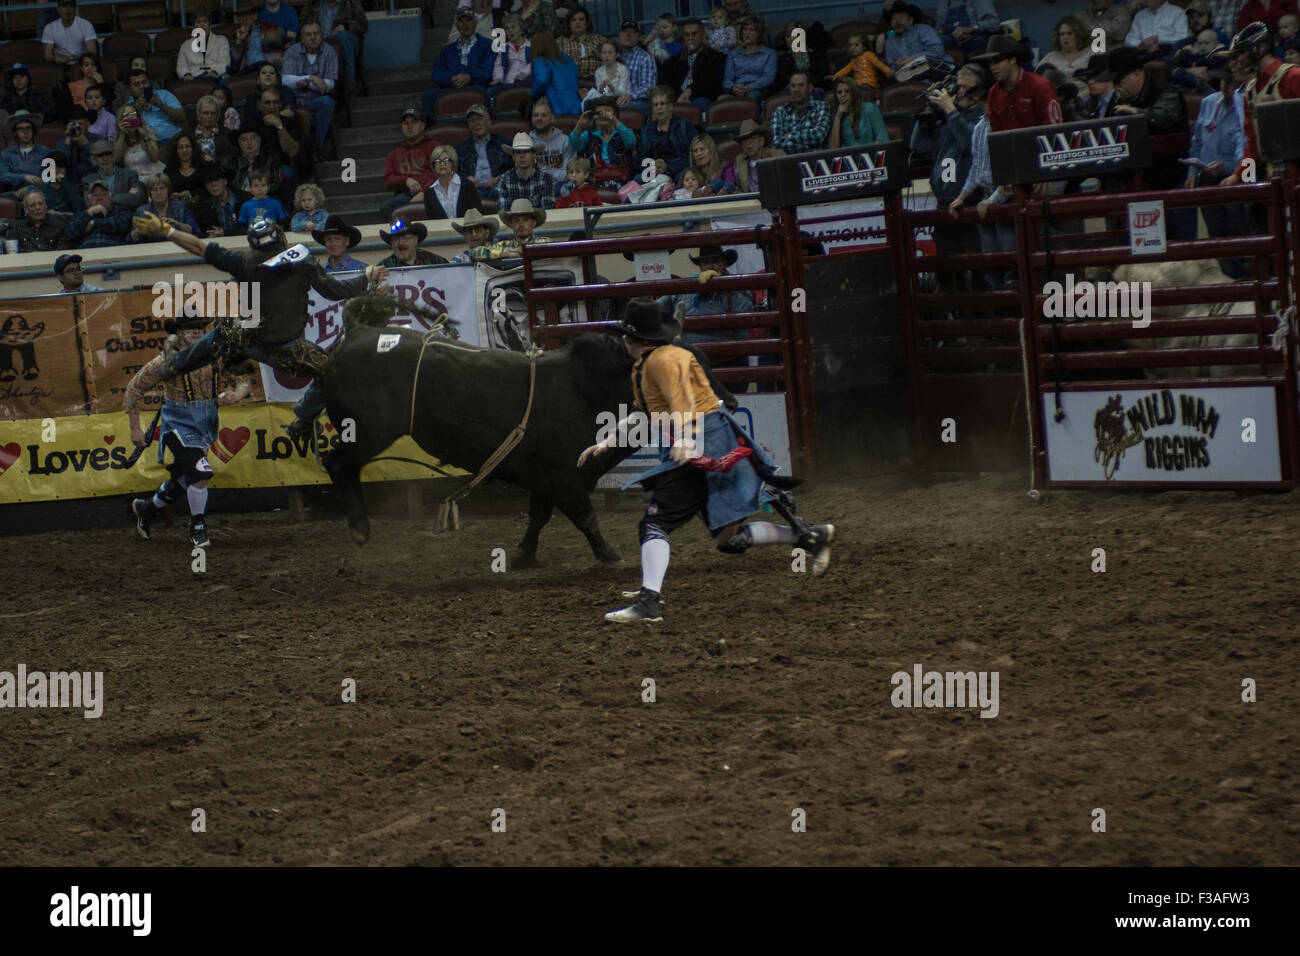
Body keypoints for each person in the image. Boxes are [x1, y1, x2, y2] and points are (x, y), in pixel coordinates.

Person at [579, 298, 834, 624]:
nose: (623, 342)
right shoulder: (655, 361)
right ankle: (809, 536)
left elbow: (682, 401)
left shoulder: (661, 362)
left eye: (626, 336)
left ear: (635, 339)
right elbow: (647, 411)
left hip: (701, 447)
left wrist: (686, 440)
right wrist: (609, 441)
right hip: (710, 442)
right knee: (728, 539)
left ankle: (649, 601)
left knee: (655, 522)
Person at [129, 211, 388, 441]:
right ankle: (304, 420)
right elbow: (335, 291)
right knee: (330, 373)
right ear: (281, 240)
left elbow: (200, 248)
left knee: (222, 334)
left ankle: (172, 365)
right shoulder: (301, 262)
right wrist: (365, 278)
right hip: (288, 347)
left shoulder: (245, 263)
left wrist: (168, 231)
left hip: (249, 339)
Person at [127, 308, 255, 549]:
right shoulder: (166, 360)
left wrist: (236, 394)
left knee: (189, 478)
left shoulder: (218, 354)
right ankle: (198, 526)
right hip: (177, 424)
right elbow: (133, 389)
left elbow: (244, 378)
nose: (196, 331)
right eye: (190, 327)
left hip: (206, 423)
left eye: (200, 327)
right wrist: (135, 429)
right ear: (179, 332)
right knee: (201, 473)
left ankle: (147, 508)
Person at [912, 63, 987, 295]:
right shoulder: (947, 117)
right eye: (958, 86)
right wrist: (930, 108)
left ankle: (984, 323)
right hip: (943, 205)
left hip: (971, 203)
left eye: (966, 87)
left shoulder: (982, 117)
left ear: (979, 92)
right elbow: (918, 145)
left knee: (977, 269)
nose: (960, 91)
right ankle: (957, 323)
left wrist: (951, 110)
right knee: (948, 271)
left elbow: (969, 145)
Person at [1187, 50, 1250, 277]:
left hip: (1236, 178)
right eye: (1223, 81)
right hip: (1208, 179)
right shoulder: (1208, 102)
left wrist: (1229, 168)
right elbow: (1197, 142)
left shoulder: (1246, 104)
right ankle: (1231, 285)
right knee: (1217, 237)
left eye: (1230, 82)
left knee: (1241, 235)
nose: (1225, 86)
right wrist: (1192, 171)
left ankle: (1250, 284)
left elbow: (1247, 147)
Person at [1224, 21, 1300, 188]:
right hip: (1275, 177)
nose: (1238, 60)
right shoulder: (1251, 91)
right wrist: (1241, 177)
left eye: (1241, 53)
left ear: (1259, 49)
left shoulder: (1294, 76)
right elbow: (1254, 145)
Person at [656, 243, 753, 345]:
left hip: (729, 353)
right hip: (690, 352)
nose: (711, 266)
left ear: (725, 263)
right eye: (706, 263)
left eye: (716, 261)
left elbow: (745, 310)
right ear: (700, 267)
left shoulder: (736, 284)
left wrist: (721, 284)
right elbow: (658, 307)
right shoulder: (687, 283)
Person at [979, 35, 1062, 132]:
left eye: (997, 61)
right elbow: (997, 135)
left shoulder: (1040, 87)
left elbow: (1055, 130)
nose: (992, 67)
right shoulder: (993, 93)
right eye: (990, 63)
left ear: (1013, 59)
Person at [424, 8, 495, 121]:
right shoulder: (447, 50)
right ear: (456, 25)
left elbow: (489, 71)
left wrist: (469, 77)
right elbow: (437, 73)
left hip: (477, 87)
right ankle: (431, 130)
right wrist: (451, 78)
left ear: (475, 22)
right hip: (452, 88)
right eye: (461, 21)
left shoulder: (488, 45)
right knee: (428, 95)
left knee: (485, 92)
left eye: (469, 20)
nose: (465, 24)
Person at [282, 20, 339, 153]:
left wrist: (299, 82)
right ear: (302, 37)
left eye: (316, 33)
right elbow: (285, 80)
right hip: (293, 100)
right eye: (308, 34)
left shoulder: (330, 52)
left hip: (316, 99)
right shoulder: (292, 51)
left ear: (322, 34)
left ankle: (317, 147)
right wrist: (310, 78)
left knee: (328, 103)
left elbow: (329, 85)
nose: (313, 37)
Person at [660, 18, 726, 116]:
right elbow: (666, 83)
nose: (690, 37)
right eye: (687, 35)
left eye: (694, 34)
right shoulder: (673, 60)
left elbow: (713, 83)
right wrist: (679, 97)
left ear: (702, 35)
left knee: (700, 103)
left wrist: (690, 91)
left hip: (701, 98)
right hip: (677, 99)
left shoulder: (716, 57)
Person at [382, 107, 440, 219]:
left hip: (433, 192)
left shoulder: (434, 146)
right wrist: (406, 180)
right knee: (386, 207)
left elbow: (441, 173)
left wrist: (424, 193)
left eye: (414, 122)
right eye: (405, 123)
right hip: (407, 195)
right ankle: (403, 233)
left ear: (422, 126)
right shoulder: (394, 154)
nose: (409, 126)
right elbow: (388, 179)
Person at [568, 97, 637, 188]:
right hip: (594, 179)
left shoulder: (622, 132)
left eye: (607, 112)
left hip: (620, 178)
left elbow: (631, 142)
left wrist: (614, 120)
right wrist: (580, 124)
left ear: (615, 115)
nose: (603, 115)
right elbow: (575, 144)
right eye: (599, 113)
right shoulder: (590, 134)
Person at [302, 0, 368, 90]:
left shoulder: (351, 3)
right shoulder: (313, 3)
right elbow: (302, 25)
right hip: (320, 43)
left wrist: (346, 25)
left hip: (343, 42)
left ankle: (351, 83)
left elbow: (363, 26)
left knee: (343, 36)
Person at [455, 103, 511, 201]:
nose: (476, 124)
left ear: (488, 120)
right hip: (473, 190)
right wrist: (467, 178)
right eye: (471, 120)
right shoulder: (461, 148)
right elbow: (453, 171)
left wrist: (500, 178)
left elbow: (515, 168)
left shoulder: (503, 144)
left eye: (480, 119)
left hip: (498, 188)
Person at [640, 85, 695, 181]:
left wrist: (668, 166)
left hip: (679, 171)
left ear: (671, 106)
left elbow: (692, 155)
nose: (659, 108)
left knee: (683, 178)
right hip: (653, 173)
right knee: (637, 180)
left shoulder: (684, 125)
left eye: (662, 104)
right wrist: (653, 166)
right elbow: (641, 159)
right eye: (655, 105)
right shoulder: (646, 131)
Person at [468, 197, 550, 260]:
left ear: (533, 223)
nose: (521, 224)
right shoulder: (503, 246)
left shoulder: (545, 242)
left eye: (525, 220)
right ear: (510, 224)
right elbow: (473, 252)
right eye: (516, 221)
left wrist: (526, 251)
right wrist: (503, 254)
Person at [770, 72, 830, 154]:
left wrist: (789, 135)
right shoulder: (779, 111)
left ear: (810, 88)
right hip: (788, 162)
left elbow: (818, 136)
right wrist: (808, 141)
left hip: (814, 160)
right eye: (793, 86)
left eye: (801, 85)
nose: (796, 89)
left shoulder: (821, 107)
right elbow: (776, 143)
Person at [883, 2, 950, 73]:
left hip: (936, 69)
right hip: (908, 76)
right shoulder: (889, 42)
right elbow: (891, 65)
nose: (897, 21)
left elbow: (938, 51)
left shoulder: (923, 30)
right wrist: (896, 65)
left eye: (901, 17)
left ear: (911, 20)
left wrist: (913, 58)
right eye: (894, 18)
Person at [497, 131, 557, 209]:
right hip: (513, 221)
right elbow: (505, 211)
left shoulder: (546, 179)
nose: (522, 155)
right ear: (513, 157)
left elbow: (547, 213)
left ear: (533, 155)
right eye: (518, 152)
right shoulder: (504, 180)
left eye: (526, 151)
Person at [423, 143, 482, 220]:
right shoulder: (429, 192)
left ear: (453, 162)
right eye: (437, 161)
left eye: (446, 160)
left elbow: (477, 214)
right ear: (433, 165)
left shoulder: (467, 185)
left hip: (468, 230)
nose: (442, 164)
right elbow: (432, 221)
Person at [722, 17, 776, 102]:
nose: (747, 32)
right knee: (722, 99)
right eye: (745, 29)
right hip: (736, 89)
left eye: (752, 30)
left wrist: (749, 87)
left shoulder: (769, 53)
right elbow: (727, 79)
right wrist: (733, 87)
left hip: (758, 90)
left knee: (752, 96)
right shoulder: (733, 54)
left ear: (759, 33)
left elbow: (768, 78)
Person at [132, 173, 200, 240]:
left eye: (162, 188)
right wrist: (140, 230)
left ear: (168, 190)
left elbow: (195, 232)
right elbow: (131, 239)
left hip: (178, 247)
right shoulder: (142, 212)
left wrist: (176, 224)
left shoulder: (180, 207)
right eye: (154, 189)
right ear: (150, 193)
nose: (158, 192)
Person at [125, 69, 184, 145]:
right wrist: (138, 112)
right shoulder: (129, 106)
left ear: (149, 82)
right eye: (136, 84)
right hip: (148, 146)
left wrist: (161, 106)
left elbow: (182, 117)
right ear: (130, 88)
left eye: (144, 82)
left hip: (173, 143)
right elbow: (132, 133)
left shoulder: (164, 95)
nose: (142, 86)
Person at [1, 111, 52, 200]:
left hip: (40, 196)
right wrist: (24, 177)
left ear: (33, 130)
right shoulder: (7, 154)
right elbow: (2, 175)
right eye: (21, 129)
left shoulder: (46, 152)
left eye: (28, 128)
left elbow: (50, 180)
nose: (25, 132)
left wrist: (29, 189)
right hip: (14, 196)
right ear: (15, 132)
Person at [530, 29, 582, 116]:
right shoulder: (567, 58)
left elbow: (542, 80)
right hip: (577, 109)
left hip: (558, 111)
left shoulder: (541, 60)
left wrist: (532, 95)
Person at [82, 137, 144, 209]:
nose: (105, 158)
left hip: (125, 216)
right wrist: (124, 196)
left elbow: (135, 198)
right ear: (94, 159)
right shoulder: (88, 180)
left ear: (112, 156)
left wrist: (109, 198)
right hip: (100, 217)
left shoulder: (129, 175)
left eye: (107, 154)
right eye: (100, 155)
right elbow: (88, 204)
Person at [1039, 15, 1091, 99]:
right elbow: (1036, 81)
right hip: (1057, 101)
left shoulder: (1090, 55)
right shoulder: (1050, 57)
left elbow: (1099, 83)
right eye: (1062, 34)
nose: (1065, 37)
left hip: (1085, 100)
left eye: (1069, 33)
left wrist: (1079, 98)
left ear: (1078, 35)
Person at [828, 77, 888, 148]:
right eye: (839, 92)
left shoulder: (869, 108)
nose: (843, 95)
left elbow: (883, 139)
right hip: (847, 157)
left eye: (847, 91)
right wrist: (838, 118)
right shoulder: (836, 116)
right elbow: (832, 148)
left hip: (869, 154)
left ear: (854, 93)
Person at [69, 179, 132, 246]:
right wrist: (89, 212)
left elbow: (123, 226)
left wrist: (93, 224)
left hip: (113, 250)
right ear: (89, 199)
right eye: (95, 195)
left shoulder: (121, 210)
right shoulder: (81, 214)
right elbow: (71, 232)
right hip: (87, 251)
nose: (99, 198)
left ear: (110, 197)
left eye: (104, 194)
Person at [3, 190, 71, 251]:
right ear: (26, 209)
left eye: (40, 204)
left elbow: (63, 252)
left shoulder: (59, 225)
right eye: (32, 205)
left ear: (46, 206)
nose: (37, 208)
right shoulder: (16, 227)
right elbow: (14, 251)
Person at [489, 13, 532, 109]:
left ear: (521, 29)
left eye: (513, 27)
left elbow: (534, 63)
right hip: (507, 83)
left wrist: (525, 72)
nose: (510, 31)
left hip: (525, 81)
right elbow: (498, 65)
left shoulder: (531, 46)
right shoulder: (504, 48)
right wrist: (498, 77)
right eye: (507, 29)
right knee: (490, 92)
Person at [113, 102, 166, 180]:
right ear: (120, 120)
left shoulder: (149, 132)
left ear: (138, 118)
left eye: (133, 114)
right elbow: (116, 160)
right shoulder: (117, 138)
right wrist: (122, 134)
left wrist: (145, 136)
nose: (130, 118)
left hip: (153, 177)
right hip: (133, 181)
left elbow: (155, 159)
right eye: (126, 115)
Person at [615, 19, 656, 115]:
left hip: (638, 101)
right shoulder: (612, 56)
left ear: (638, 36)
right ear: (619, 35)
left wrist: (630, 95)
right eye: (625, 32)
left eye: (632, 32)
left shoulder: (645, 58)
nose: (628, 35)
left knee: (618, 106)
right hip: (616, 99)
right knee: (592, 103)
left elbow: (649, 88)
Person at [530, 96, 573, 187]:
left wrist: (545, 172)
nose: (539, 118)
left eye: (544, 115)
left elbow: (570, 174)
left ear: (552, 119)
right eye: (536, 115)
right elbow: (526, 175)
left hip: (560, 189)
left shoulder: (565, 140)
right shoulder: (526, 142)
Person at [935, 0, 1002, 58]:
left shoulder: (979, 1)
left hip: (974, 42)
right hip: (951, 44)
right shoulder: (943, 2)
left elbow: (994, 23)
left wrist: (971, 29)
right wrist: (940, 32)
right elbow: (939, 28)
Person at [192, 163, 244, 238]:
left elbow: (249, 228)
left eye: (217, 179)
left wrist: (225, 233)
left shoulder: (244, 199)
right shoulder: (202, 205)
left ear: (225, 181)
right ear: (205, 187)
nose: (213, 184)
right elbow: (199, 232)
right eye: (209, 181)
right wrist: (208, 235)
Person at [177, 13, 232, 82]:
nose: (202, 25)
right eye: (198, 22)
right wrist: (186, 74)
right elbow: (181, 66)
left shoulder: (221, 40)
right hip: (194, 77)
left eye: (205, 21)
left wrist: (215, 72)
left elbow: (225, 61)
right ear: (194, 26)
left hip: (216, 75)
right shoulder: (185, 45)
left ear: (210, 25)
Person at [42, 0, 98, 66]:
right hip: (59, 65)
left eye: (71, 6)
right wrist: (56, 58)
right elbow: (47, 56)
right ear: (58, 9)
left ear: (75, 9)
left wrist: (77, 58)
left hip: (81, 63)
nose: (68, 10)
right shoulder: (49, 28)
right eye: (64, 6)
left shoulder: (86, 25)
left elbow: (92, 52)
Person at [732, 118, 781, 192]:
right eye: (744, 141)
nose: (748, 144)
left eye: (752, 139)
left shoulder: (777, 156)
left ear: (762, 141)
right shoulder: (739, 160)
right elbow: (739, 188)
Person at [377, 218, 448, 267]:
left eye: (406, 238)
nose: (401, 243)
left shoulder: (436, 263)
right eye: (395, 239)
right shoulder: (383, 269)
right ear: (391, 245)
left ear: (415, 239)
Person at [558, 7, 605, 79]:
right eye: (574, 20)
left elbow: (610, 59)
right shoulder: (560, 42)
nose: (578, 22)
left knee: (608, 90)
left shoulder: (599, 40)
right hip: (569, 83)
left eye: (581, 19)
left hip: (597, 82)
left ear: (587, 23)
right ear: (569, 24)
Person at [582, 39, 629, 109]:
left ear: (616, 55)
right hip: (606, 99)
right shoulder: (599, 71)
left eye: (610, 53)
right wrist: (603, 88)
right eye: (604, 53)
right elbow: (604, 94)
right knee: (590, 102)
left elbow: (622, 92)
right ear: (600, 55)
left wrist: (612, 87)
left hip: (620, 98)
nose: (606, 55)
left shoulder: (623, 69)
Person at [192, 95, 236, 170]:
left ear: (217, 115)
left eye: (213, 113)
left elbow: (231, 159)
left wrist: (213, 163)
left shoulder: (227, 134)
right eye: (205, 113)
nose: (209, 116)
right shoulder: (189, 134)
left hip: (219, 174)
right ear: (198, 115)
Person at [1074, 53, 1117, 118]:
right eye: (1088, 77)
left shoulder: (1122, 101)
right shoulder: (1087, 104)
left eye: (1096, 76)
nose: (1090, 82)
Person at [164, 132, 203, 203]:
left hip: (200, 205)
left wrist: (190, 194)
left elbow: (207, 188)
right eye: (180, 147)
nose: (184, 150)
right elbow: (165, 190)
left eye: (187, 146)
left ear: (193, 148)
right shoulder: (169, 169)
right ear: (176, 151)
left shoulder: (202, 165)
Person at [232, 2, 269, 74]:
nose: (243, 22)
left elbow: (274, 60)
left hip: (264, 69)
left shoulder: (268, 29)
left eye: (245, 18)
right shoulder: (236, 35)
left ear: (255, 16)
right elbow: (235, 65)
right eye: (240, 19)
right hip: (247, 72)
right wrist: (239, 40)